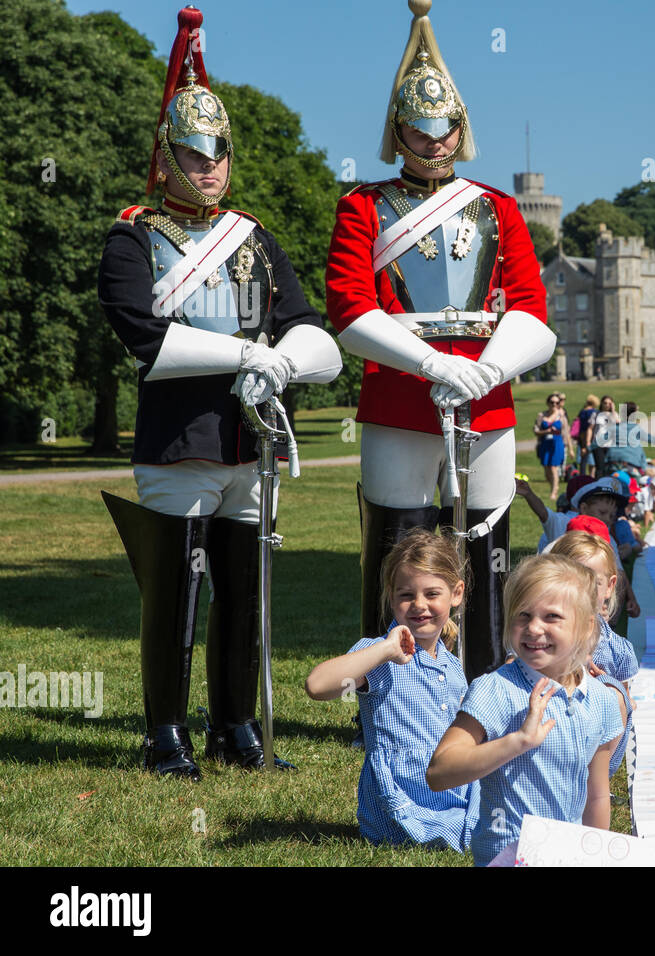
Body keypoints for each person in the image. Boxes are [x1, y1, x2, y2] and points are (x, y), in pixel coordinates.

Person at [99, 6, 342, 779]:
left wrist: (283, 362)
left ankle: (234, 723)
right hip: (180, 439)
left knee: (244, 591)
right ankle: (163, 731)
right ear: (165, 157)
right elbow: (143, 330)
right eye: (192, 153)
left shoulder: (256, 238)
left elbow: (310, 327)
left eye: (217, 154)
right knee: (175, 595)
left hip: (250, 443)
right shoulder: (133, 234)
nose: (207, 167)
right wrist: (247, 350)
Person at [326, 0, 555, 680]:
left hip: (486, 391)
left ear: (462, 129)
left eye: (445, 128)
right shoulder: (362, 206)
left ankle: (484, 684)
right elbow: (349, 306)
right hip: (401, 391)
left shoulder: (497, 207)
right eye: (420, 131)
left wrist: (485, 372)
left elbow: (530, 307)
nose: (434, 141)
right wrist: (429, 363)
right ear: (398, 132)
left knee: (486, 549)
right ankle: (387, 688)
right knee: (397, 546)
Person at [425, 553, 624, 866]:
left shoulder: (601, 700)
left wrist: (595, 855)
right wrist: (518, 742)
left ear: (586, 627)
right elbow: (439, 773)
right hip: (508, 857)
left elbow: (597, 794)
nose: (533, 628)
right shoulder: (496, 690)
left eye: (552, 617)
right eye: (523, 615)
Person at [305, 529, 476, 847]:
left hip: (449, 787)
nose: (419, 605)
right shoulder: (378, 655)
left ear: (456, 594)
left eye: (432, 594)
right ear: (391, 596)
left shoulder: (452, 668)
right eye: (406, 594)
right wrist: (383, 651)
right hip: (398, 798)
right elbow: (318, 686)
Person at [547, 527, 636, 776]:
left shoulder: (616, 649)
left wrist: (602, 684)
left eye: (592, 584)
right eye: (571, 582)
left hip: (595, 736)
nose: (581, 593)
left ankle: (593, 779)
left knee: (613, 694)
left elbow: (626, 701)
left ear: (609, 587)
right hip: (549, 728)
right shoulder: (540, 631)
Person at [533, 392, 567, 499]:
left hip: (557, 444)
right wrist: (547, 431)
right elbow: (536, 431)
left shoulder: (561, 415)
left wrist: (569, 447)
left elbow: (566, 431)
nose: (554, 404)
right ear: (548, 403)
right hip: (545, 443)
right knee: (547, 469)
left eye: (557, 402)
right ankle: (553, 485)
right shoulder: (541, 415)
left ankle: (554, 492)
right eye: (552, 402)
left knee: (553, 467)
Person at [587, 395, 619, 477]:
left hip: (611, 445)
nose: (607, 405)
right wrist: (588, 442)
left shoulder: (614, 414)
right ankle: (599, 486)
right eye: (605, 403)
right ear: (602, 403)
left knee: (610, 468)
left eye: (609, 403)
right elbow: (590, 429)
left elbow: (618, 423)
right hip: (598, 444)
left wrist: (613, 410)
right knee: (600, 467)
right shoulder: (596, 414)